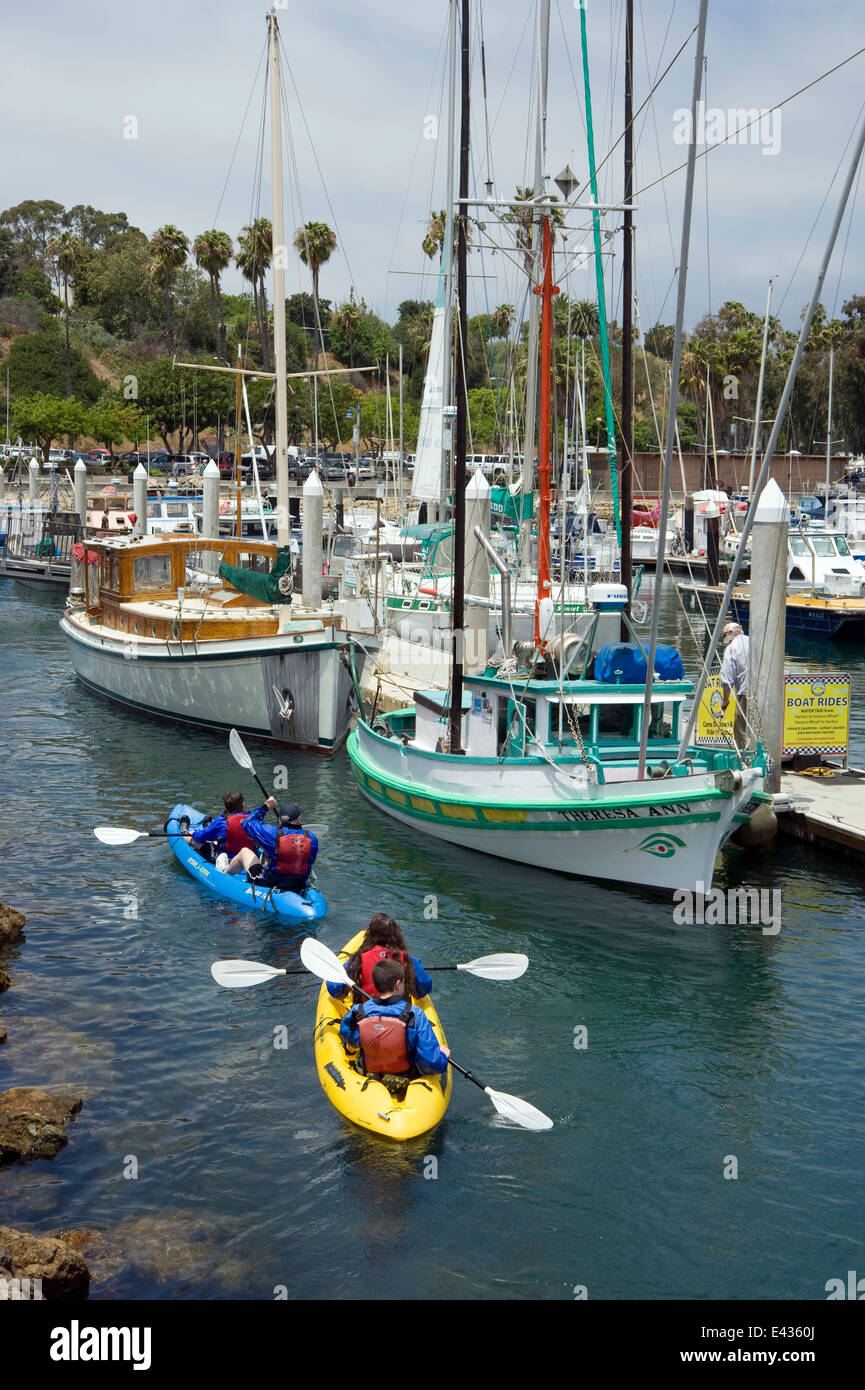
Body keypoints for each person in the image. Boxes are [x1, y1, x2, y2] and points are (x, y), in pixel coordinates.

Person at [339, 958, 450, 1085]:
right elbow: (430, 1063)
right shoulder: (415, 1013)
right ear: (398, 984)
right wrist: (442, 1056)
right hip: (407, 1076)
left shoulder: (358, 1011)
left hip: (369, 1074)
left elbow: (347, 1036)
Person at [327, 913, 432, 1002]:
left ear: (369, 936)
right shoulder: (408, 960)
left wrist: (330, 978)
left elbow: (336, 991)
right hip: (401, 1017)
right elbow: (423, 990)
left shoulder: (358, 960)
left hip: (366, 1016)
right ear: (397, 936)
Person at [233, 796, 317, 893]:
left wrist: (266, 807)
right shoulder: (311, 837)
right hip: (299, 882)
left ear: (281, 820)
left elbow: (247, 823)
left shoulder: (272, 833)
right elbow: (310, 860)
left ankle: (224, 872)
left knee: (245, 851)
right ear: (299, 818)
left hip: (272, 883)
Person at [183, 791, 260, 874]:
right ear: (243, 804)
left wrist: (193, 833)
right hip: (250, 857)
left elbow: (200, 837)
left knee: (191, 838)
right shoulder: (254, 821)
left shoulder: (222, 822)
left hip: (226, 858)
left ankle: (184, 832)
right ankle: (208, 826)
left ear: (226, 808)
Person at [720, 621, 749, 747]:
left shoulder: (731, 648)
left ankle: (744, 756)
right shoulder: (751, 640)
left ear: (728, 634)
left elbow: (727, 679)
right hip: (764, 690)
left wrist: (725, 700)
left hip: (746, 692)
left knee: (740, 727)